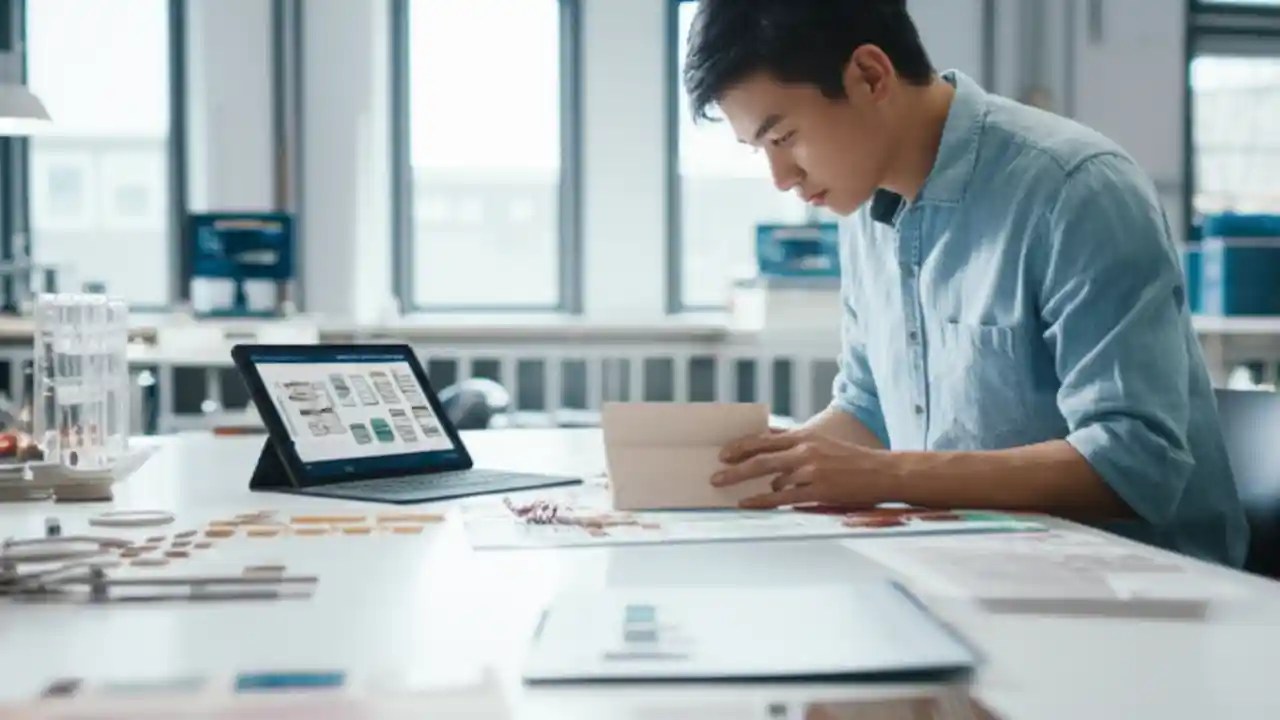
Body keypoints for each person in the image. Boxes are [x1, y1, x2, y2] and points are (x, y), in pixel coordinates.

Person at [685, 0, 1248, 565]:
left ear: (870, 76)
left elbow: (1135, 461)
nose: (781, 179)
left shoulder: (1076, 191)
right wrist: (744, 476)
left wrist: (884, 474)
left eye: (783, 137)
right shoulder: (863, 208)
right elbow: (867, 409)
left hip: (1143, 592)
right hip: (976, 566)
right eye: (761, 150)